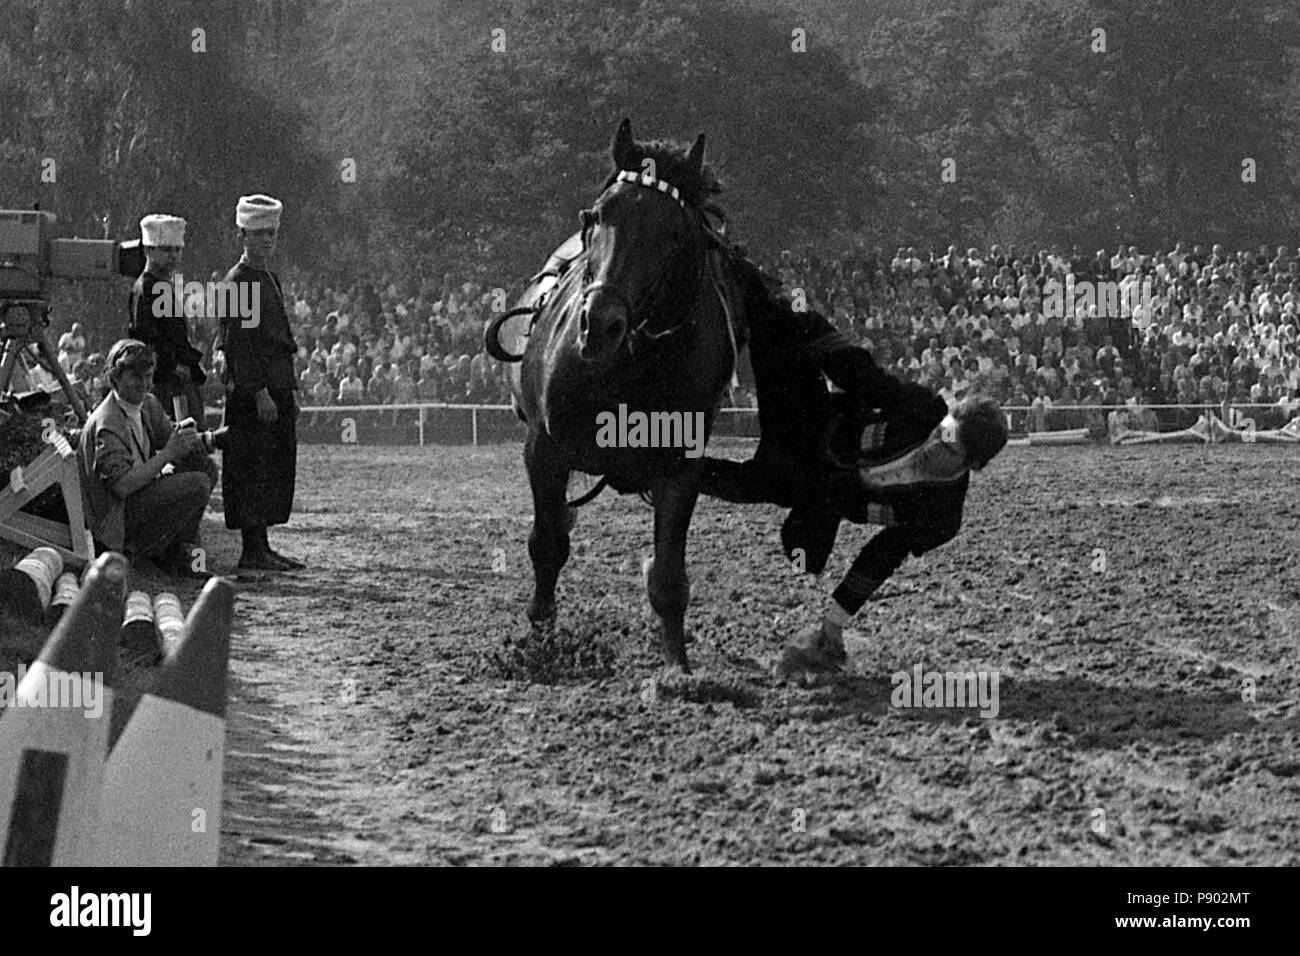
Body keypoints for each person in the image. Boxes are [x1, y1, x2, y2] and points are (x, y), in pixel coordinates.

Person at [702, 259, 1008, 678]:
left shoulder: (942, 517)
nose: (936, 442)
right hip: (811, 422)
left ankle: (662, 466)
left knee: (793, 546)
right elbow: (863, 375)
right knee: (779, 327)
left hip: (818, 493)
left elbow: (880, 556)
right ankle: (739, 281)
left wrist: (834, 624)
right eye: (943, 431)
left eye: (949, 447)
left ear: (972, 466)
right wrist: (803, 318)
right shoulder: (924, 409)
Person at [79, 339, 220, 579]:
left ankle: (181, 551)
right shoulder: (108, 423)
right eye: (135, 377)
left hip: (136, 499)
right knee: (197, 483)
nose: (144, 384)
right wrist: (167, 455)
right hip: (113, 518)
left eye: (148, 376)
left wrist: (206, 439)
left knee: (205, 468)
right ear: (115, 377)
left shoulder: (147, 404)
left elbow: (172, 439)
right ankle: (143, 550)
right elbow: (121, 486)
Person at [216, 194, 304, 572]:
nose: (267, 240)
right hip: (255, 391)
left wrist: (291, 389)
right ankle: (251, 549)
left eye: (271, 233)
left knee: (272, 466)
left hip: (278, 384)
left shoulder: (269, 276)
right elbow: (241, 345)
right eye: (259, 233)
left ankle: (264, 545)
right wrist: (261, 393)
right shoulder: (239, 282)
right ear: (243, 235)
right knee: (251, 465)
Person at [127, 214, 208, 421]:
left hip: (178, 382)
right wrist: (174, 367)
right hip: (166, 385)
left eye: (177, 249)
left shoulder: (163, 286)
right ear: (149, 250)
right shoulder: (147, 288)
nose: (173, 256)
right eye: (165, 249)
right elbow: (148, 339)